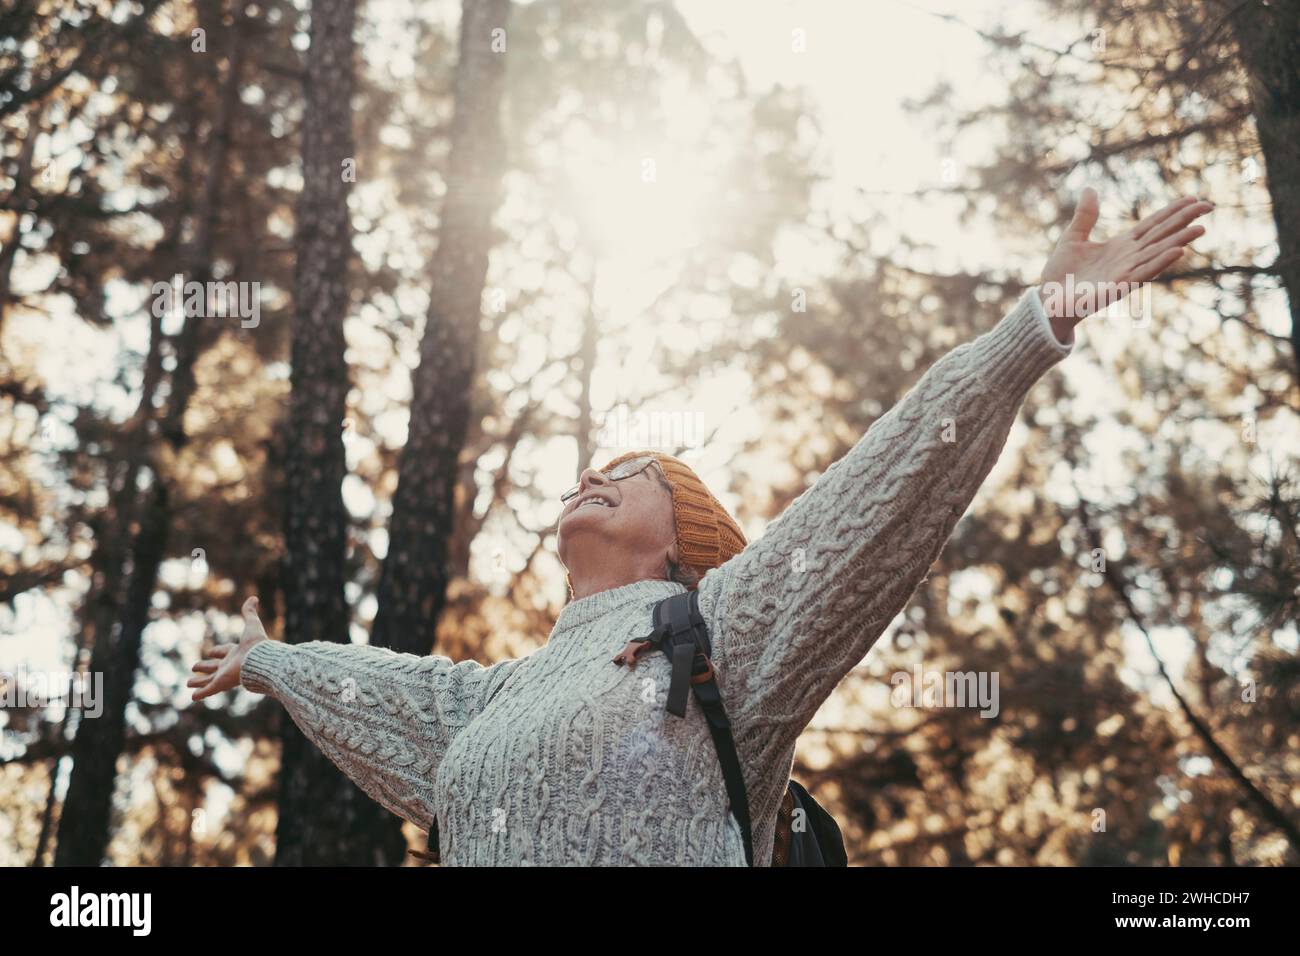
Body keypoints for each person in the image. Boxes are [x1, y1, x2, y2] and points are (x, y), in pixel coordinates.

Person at [189, 188, 1213, 865]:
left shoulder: (723, 629)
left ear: (681, 534)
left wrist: (1034, 325)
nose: (595, 474)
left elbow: (883, 485)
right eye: (597, 467)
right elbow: (371, 688)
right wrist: (267, 658)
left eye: (632, 474)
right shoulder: (487, 700)